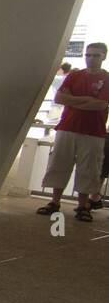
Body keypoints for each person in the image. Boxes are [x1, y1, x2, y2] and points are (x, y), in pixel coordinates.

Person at [37, 42, 109, 222]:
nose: (91, 58)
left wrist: (73, 100)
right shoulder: (75, 75)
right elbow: (59, 97)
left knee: (89, 168)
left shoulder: (107, 78)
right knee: (59, 163)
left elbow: (100, 104)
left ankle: (83, 205)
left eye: (96, 55)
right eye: (88, 54)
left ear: (104, 57)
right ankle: (54, 202)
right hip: (67, 127)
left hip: (93, 131)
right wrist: (86, 99)